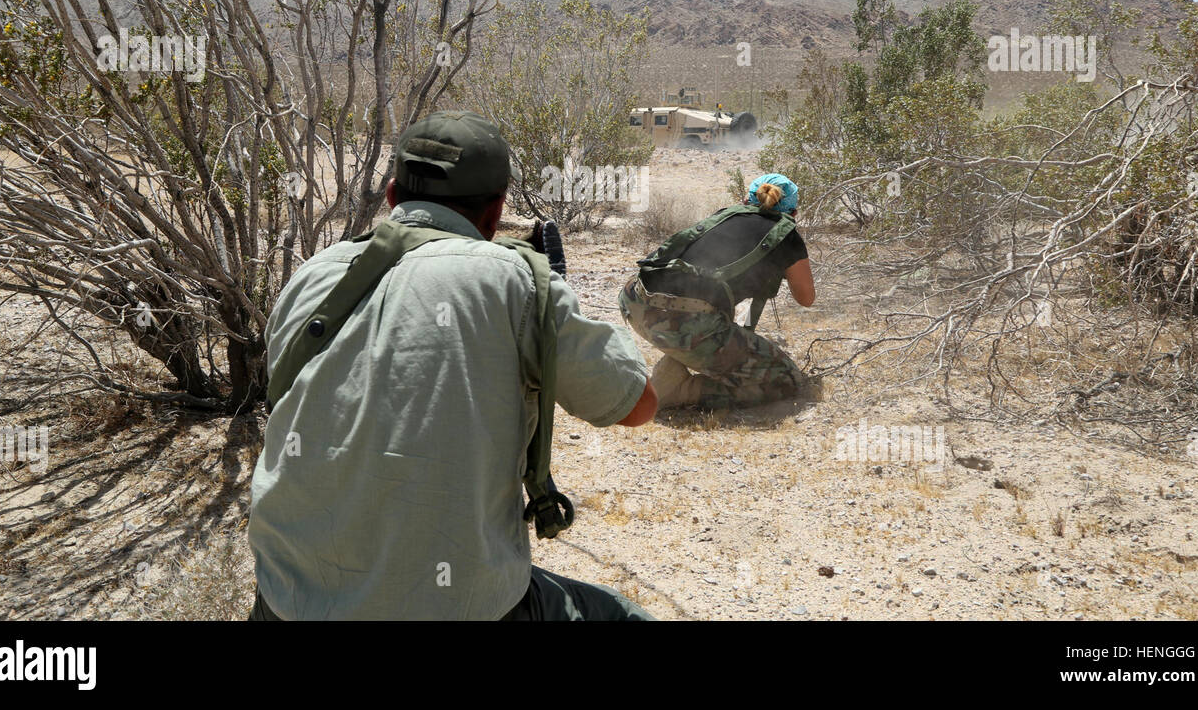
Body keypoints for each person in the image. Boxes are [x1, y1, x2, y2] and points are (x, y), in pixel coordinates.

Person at [248, 111, 658, 620]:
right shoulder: (518, 283)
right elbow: (638, 406)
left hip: (289, 602)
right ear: (496, 211)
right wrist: (556, 298)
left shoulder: (310, 278)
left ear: (394, 196)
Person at [618, 173, 818, 410]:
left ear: (746, 200)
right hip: (683, 320)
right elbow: (806, 298)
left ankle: (678, 358)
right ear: (793, 213)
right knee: (787, 381)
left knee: (714, 326)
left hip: (636, 300)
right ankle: (680, 389)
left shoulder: (726, 215)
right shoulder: (786, 236)